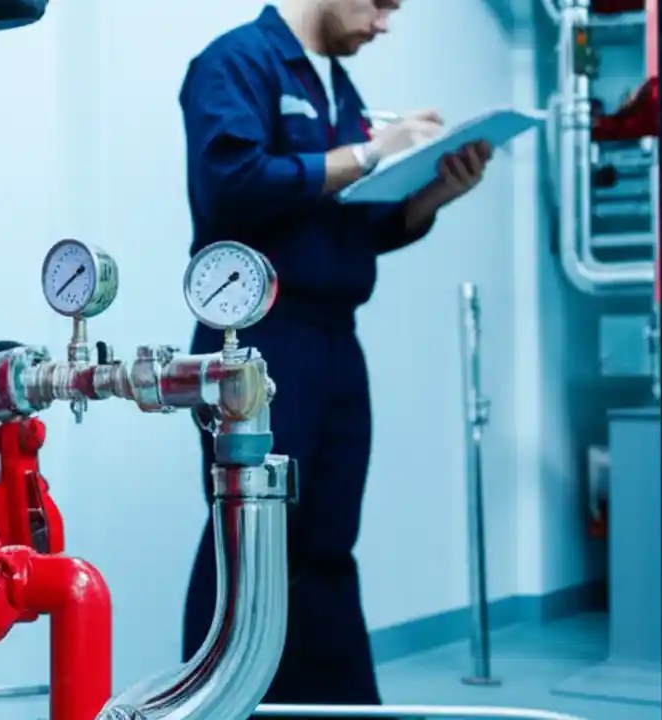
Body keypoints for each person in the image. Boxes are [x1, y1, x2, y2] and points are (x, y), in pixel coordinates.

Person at [178, 0, 494, 716]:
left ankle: (340, 707)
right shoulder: (236, 63)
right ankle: (215, 707)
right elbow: (230, 183)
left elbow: (356, 225)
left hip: (333, 341)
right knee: (250, 545)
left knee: (325, 544)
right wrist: (378, 149)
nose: (385, 23)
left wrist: (436, 190)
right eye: (383, 3)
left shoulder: (336, 89)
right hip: (257, 342)